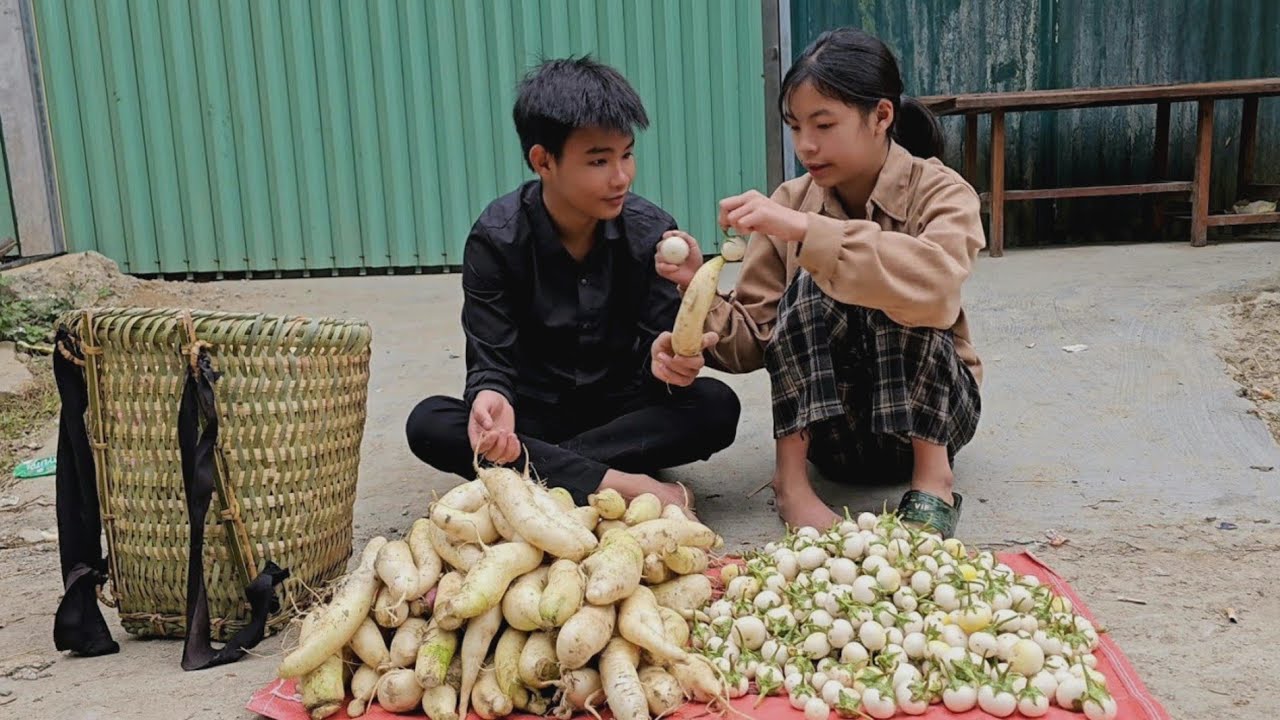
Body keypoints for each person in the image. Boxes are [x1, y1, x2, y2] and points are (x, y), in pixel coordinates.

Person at [650, 28, 984, 537]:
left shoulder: (940, 191)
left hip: (931, 417)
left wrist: (808, 231)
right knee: (809, 287)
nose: (806, 145)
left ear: (881, 116)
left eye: (824, 124)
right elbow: (758, 340)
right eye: (795, 126)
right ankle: (792, 484)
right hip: (833, 432)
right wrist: (698, 293)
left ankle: (933, 482)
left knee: (889, 283)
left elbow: (935, 284)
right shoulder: (789, 200)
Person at [407, 56, 740, 510]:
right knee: (428, 423)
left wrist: (670, 362)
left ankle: (542, 473)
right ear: (543, 161)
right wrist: (492, 396)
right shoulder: (497, 238)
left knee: (717, 406)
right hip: (534, 416)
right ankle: (621, 483)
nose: (621, 177)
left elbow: (657, 357)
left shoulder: (652, 234)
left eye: (627, 155)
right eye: (599, 160)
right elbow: (491, 362)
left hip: (618, 415)